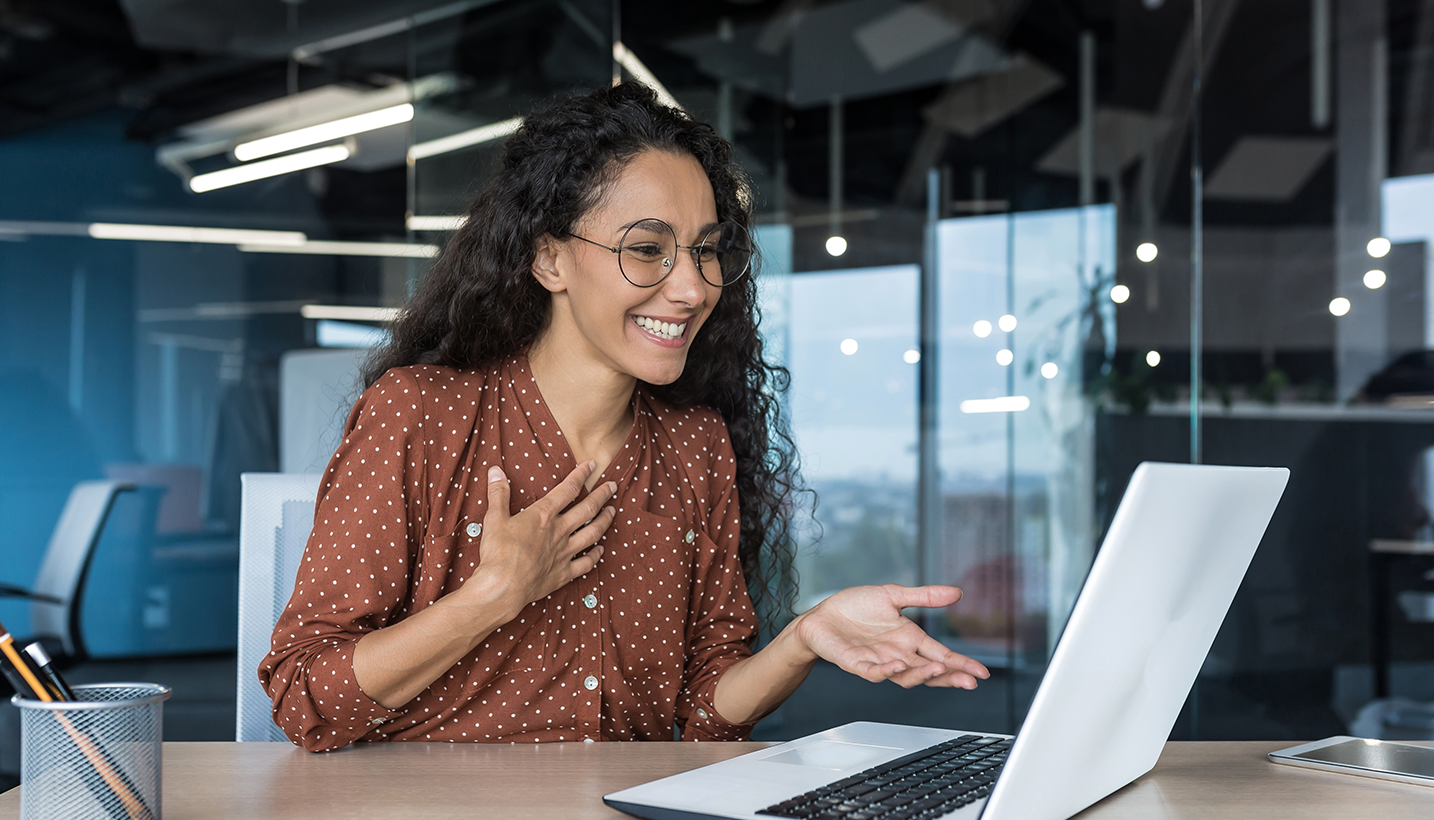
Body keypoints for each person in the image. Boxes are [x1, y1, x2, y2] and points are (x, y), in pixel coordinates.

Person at [259, 82, 989, 752]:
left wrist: (803, 639)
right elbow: (304, 698)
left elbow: (705, 713)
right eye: (646, 250)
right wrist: (493, 595)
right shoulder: (423, 413)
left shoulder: (695, 445)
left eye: (706, 252)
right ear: (549, 259)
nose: (692, 289)